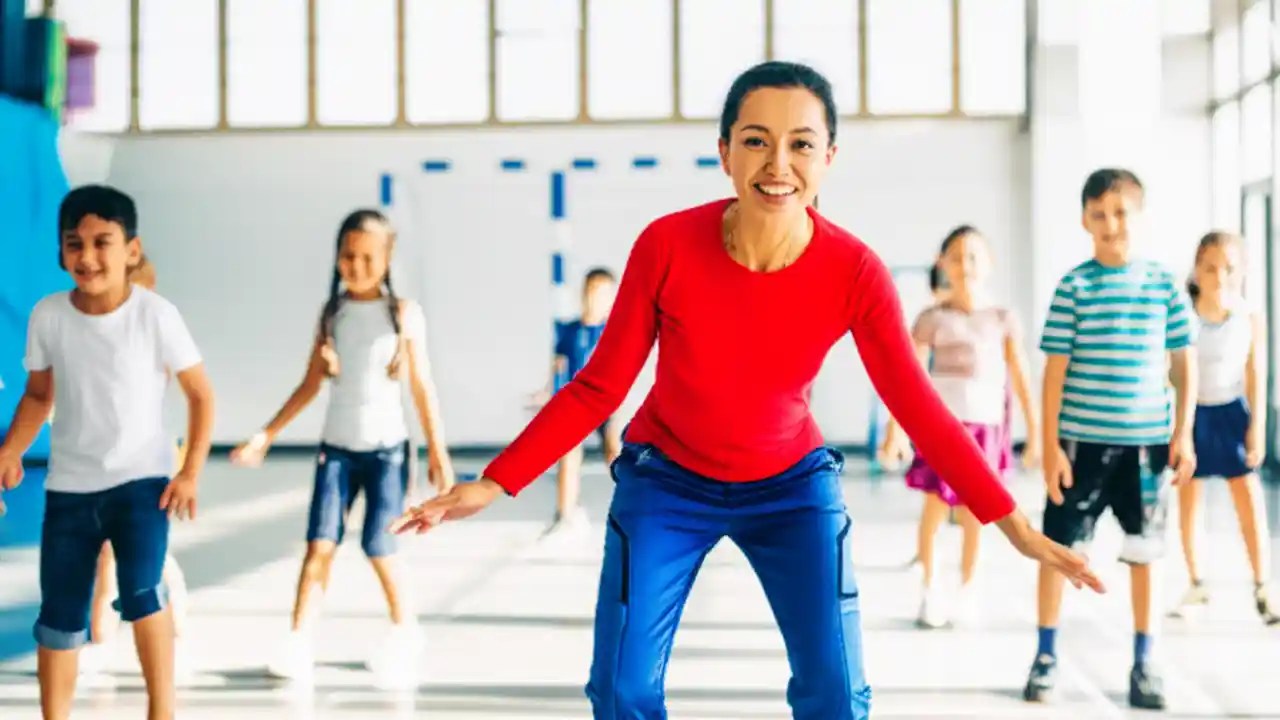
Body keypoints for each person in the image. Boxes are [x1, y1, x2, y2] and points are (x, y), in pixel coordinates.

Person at [391, 62, 1101, 720]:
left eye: (800, 143)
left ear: (828, 159)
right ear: (725, 151)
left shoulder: (853, 270)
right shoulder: (665, 246)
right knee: (622, 686)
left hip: (791, 489)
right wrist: (495, 482)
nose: (778, 164)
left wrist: (1011, 522)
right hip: (667, 483)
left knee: (836, 691)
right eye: (756, 141)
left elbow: (917, 404)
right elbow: (599, 385)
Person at [0, 184, 214, 720]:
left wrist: (188, 473)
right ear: (61, 251)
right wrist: (10, 451)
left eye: (103, 241)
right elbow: (39, 396)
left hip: (142, 484)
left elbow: (201, 394)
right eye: (75, 243)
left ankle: (160, 711)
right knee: (60, 614)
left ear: (131, 250)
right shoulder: (49, 316)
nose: (88, 256)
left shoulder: (155, 315)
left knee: (143, 591)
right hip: (70, 490)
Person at [230, 209, 455, 688]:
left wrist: (438, 451)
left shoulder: (403, 314)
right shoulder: (332, 314)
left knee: (380, 545)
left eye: (368, 256)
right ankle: (298, 639)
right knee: (320, 544)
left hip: (387, 453)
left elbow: (422, 385)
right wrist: (266, 434)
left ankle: (404, 629)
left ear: (387, 257)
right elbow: (310, 383)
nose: (357, 265)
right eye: (348, 256)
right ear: (337, 258)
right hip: (336, 450)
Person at [1025, 168, 1197, 710]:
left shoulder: (1164, 285)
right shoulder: (1074, 285)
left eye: (1120, 212)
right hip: (1080, 448)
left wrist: (1182, 432)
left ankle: (1146, 660)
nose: (1110, 224)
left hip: (1146, 449)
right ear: (1084, 220)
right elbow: (1054, 372)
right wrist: (1050, 444)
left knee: (1146, 554)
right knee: (1060, 552)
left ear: (1139, 217)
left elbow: (1182, 364)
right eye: (1098, 214)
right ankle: (1046, 655)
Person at [879, 225, 1040, 629]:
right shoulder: (932, 319)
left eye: (973, 256)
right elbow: (907, 376)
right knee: (934, 509)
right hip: (941, 430)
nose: (965, 265)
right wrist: (895, 431)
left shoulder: (1002, 318)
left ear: (988, 263)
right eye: (956, 256)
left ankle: (968, 589)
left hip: (985, 430)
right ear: (943, 263)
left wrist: (1036, 433)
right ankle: (930, 591)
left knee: (975, 514)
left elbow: (1019, 376)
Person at [79, 254, 195, 688]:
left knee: (154, 559)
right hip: (106, 466)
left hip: (151, 466)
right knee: (106, 554)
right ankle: (100, 642)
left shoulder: (157, 342)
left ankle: (177, 636)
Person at [1168, 231, 1278, 625]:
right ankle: (1197, 583)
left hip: (1232, 414)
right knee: (1189, 503)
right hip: (1193, 415)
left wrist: (1257, 428)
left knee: (1248, 502)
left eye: (1229, 269)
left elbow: (1256, 371)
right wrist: (1178, 430)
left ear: (1242, 271)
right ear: (1197, 270)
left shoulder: (1249, 317)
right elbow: (1175, 373)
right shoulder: (1183, 315)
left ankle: (1263, 586)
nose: (1220, 277)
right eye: (1211, 268)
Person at [529, 267, 622, 541]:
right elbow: (558, 366)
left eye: (607, 295)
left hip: (608, 403)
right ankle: (566, 513)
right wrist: (546, 392)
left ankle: (639, 516)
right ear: (584, 294)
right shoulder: (570, 331)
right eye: (595, 293)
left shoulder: (615, 331)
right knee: (568, 453)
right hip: (578, 403)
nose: (600, 300)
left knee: (615, 453)